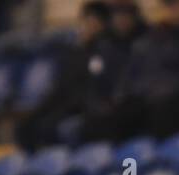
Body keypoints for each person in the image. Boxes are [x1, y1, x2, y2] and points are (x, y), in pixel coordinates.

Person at [16, 2, 123, 153]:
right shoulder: (74, 52)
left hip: (84, 108)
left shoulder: (107, 50)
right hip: (65, 104)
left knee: (55, 126)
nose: (89, 26)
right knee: (26, 126)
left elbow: (99, 88)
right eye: (86, 21)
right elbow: (60, 86)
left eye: (94, 22)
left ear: (102, 25)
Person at [107, 0, 179, 143]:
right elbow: (144, 70)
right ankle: (126, 160)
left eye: (177, 4)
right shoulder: (158, 34)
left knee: (164, 111)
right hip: (154, 98)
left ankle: (160, 161)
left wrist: (161, 91)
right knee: (120, 112)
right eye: (169, 5)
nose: (173, 9)